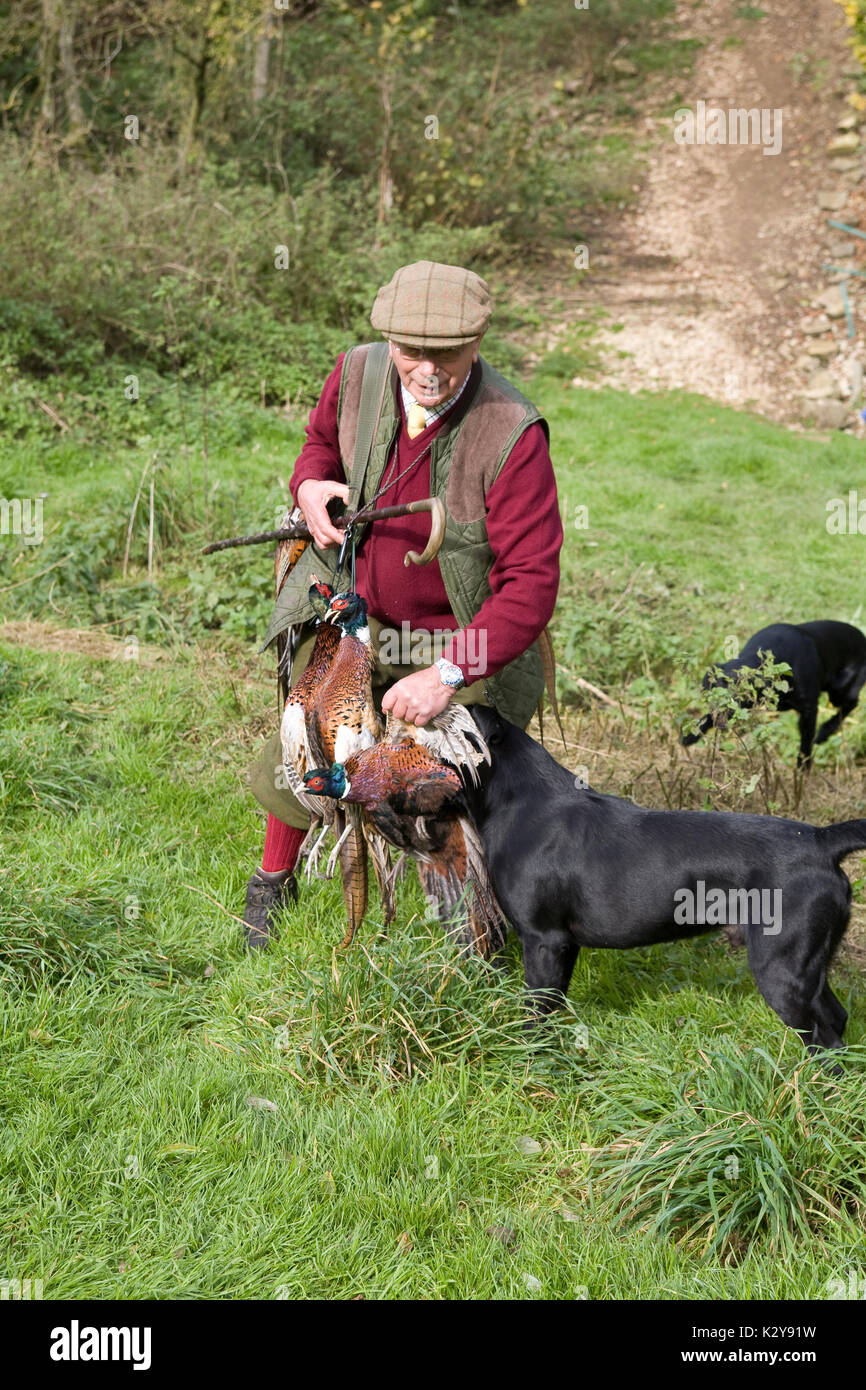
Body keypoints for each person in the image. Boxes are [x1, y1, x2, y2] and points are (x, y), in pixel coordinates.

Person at [243, 260, 563, 947]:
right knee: (311, 731)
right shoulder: (356, 372)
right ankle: (273, 879)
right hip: (357, 612)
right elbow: (319, 445)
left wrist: (446, 673)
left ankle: (469, 933)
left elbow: (531, 584)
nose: (428, 367)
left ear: (477, 341)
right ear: (388, 339)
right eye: (411, 349)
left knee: (435, 780)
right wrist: (309, 487)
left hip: (459, 641)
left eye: (446, 351)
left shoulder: (513, 433)